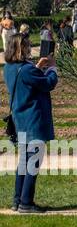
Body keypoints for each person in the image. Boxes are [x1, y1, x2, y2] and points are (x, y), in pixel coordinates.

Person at [4, 31, 58, 212]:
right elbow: (48, 83)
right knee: (33, 162)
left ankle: (17, 200)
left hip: (20, 119)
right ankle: (26, 203)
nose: (29, 48)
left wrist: (37, 67)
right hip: (33, 119)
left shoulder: (10, 68)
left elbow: (27, 81)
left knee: (23, 162)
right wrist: (52, 68)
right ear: (21, 48)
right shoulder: (27, 70)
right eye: (26, 45)